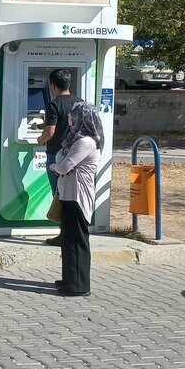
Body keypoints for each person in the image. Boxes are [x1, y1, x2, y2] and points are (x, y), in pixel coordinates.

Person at [48, 101, 104, 297]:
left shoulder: (85, 142)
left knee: (77, 240)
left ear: (83, 119)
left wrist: (54, 167)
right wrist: (59, 164)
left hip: (78, 197)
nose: (70, 120)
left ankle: (80, 285)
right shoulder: (74, 140)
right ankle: (69, 279)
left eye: (73, 117)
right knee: (68, 239)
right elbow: (60, 158)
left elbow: (62, 166)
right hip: (68, 194)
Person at [37, 69, 82, 247]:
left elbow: (50, 132)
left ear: (52, 85)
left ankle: (64, 234)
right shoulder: (80, 103)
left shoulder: (53, 104)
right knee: (73, 195)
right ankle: (73, 232)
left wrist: (40, 138)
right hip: (77, 155)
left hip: (56, 156)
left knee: (60, 194)